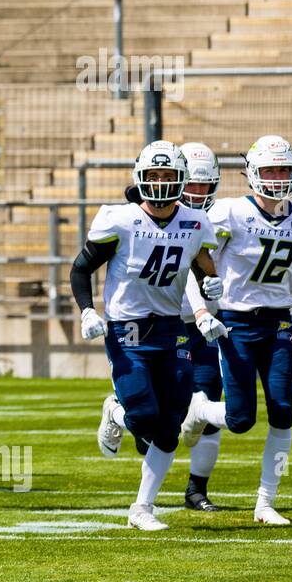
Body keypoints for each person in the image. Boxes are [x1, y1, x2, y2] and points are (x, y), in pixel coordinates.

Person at [179, 135, 292, 525]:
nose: (278, 177)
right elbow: (197, 264)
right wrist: (201, 312)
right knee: (241, 419)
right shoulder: (230, 213)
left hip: (280, 323)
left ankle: (265, 503)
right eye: (269, 170)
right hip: (236, 324)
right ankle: (200, 408)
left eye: (284, 169)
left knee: (283, 412)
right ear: (252, 174)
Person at [71, 141, 220, 531]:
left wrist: (213, 282)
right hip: (128, 330)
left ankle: (142, 508)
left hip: (172, 328)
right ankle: (115, 411)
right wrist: (88, 310)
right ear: (140, 178)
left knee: (170, 424)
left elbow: (203, 264)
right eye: (153, 176)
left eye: (167, 176)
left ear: (180, 179)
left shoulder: (195, 221)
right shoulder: (119, 219)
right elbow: (80, 269)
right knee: (144, 419)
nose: (159, 183)